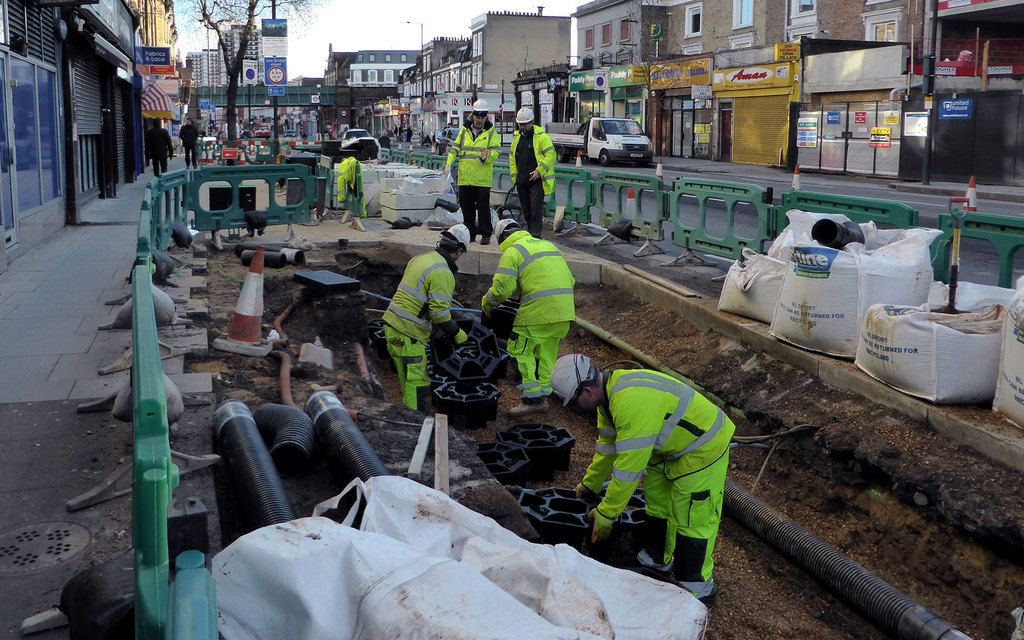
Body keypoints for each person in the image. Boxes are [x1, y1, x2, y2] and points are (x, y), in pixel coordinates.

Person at [550, 353, 735, 604]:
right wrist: (590, 484)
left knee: (693, 516)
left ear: (586, 392)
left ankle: (696, 585)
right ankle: (660, 558)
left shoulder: (629, 402)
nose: (574, 410)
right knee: (657, 500)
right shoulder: (608, 398)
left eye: (573, 403)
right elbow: (607, 448)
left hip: (702, 446)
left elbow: (628, 472)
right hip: (667, 449)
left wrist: (607, 514)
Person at [482, 218, 575, 416]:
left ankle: (533, 400)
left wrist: (486, 304)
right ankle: (544, 394)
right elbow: (569, 278)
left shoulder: (513, 251)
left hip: (540, 311)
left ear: (504, 237)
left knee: (518, 349)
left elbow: (501, 291)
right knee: (546, 353)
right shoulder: (547, 245)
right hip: (565, 310)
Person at [382, 224, 471, 412]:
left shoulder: (420, 259)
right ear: (458, 250)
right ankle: (417, 424)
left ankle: (407, 416)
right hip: (409, 334)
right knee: (418, 383)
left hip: (392, 328)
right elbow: (439, 316)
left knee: (406, 379)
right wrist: (458, 333)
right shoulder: (443, 272)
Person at [446, 99, 501, 244]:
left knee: (483, 208)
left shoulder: (491, 133)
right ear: (473, 115)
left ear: (486, 117)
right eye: (478, 117)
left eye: (482, 117)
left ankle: (486, 234)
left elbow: (496, 151)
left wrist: (487, 157)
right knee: (467, 208)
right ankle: (470, 234)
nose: (480, 120)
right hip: (465, 177)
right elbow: (454, 149)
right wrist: (448, 164)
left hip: (482, 179)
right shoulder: (464, 131)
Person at [510, 107, 556, 238]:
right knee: (526, 211)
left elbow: (551, 155)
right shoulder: (517, 138)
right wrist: (515, 179)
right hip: (522, 180)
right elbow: (513, 159)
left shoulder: (542, 137)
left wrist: (539, 171)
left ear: (532, 122)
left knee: (536, 211)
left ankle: (535, 236)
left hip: (536, 181)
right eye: (520, 124)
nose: (522, 127)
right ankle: (530, 234)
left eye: (525, 124)